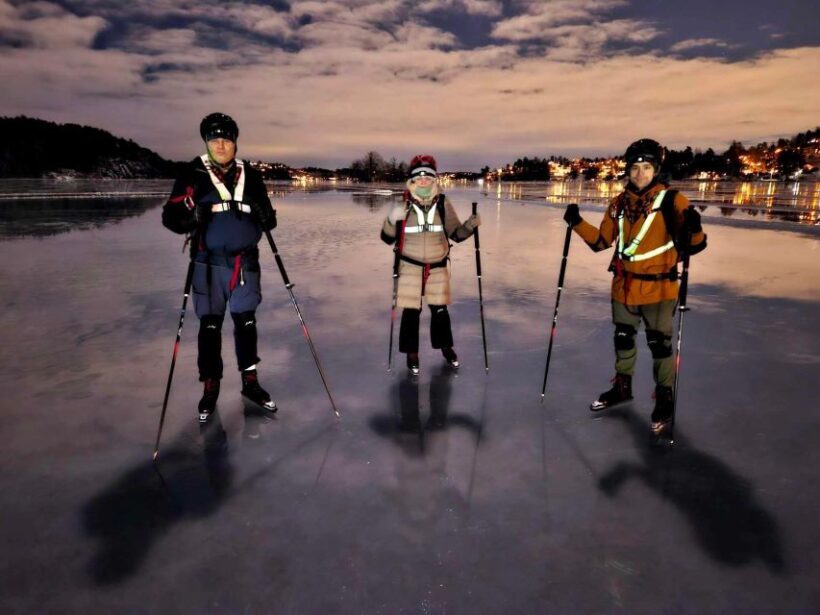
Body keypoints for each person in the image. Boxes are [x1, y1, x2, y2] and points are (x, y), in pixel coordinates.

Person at [563, 138, 707, 436]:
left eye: (647, 167)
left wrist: (695, 228)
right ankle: (622, 387)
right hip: (623, 288)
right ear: (627, 170)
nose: (640, 174)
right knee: (623, 338)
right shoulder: (618, 203)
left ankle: (664, 398)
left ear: (656, 169)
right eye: (635, 168)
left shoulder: (672, 201)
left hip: (659, 289)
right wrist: (577, 222)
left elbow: (693, 246)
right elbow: (601, 242)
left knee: (659, 344)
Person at [162, 112, 278, 423]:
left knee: (247, 322)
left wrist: (267, 216)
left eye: (226, 138)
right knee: (210, 326)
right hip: (208, 265)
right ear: (206, 142)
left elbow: (269, 219)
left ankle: (250, 381)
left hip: (245, 263)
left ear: (235, 142)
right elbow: (170, 219)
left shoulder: (250, 175)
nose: (221, 144)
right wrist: (191, 218)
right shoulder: (193, 174)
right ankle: (210, 385)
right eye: (215, 139)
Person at [381, 155, 481, 375]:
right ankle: (412, 353)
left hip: (437, 267)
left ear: (434, 179)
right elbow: (387, 238)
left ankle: (446, 347)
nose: (423, 180)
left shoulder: (443, 204)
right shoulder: (403, 205)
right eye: (419, 176)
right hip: (409, 266)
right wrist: (391, 220)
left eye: (428, 176)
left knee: (440, 311)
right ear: (412, 180)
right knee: (411, 312)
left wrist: (470, 226)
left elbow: (456, 234)